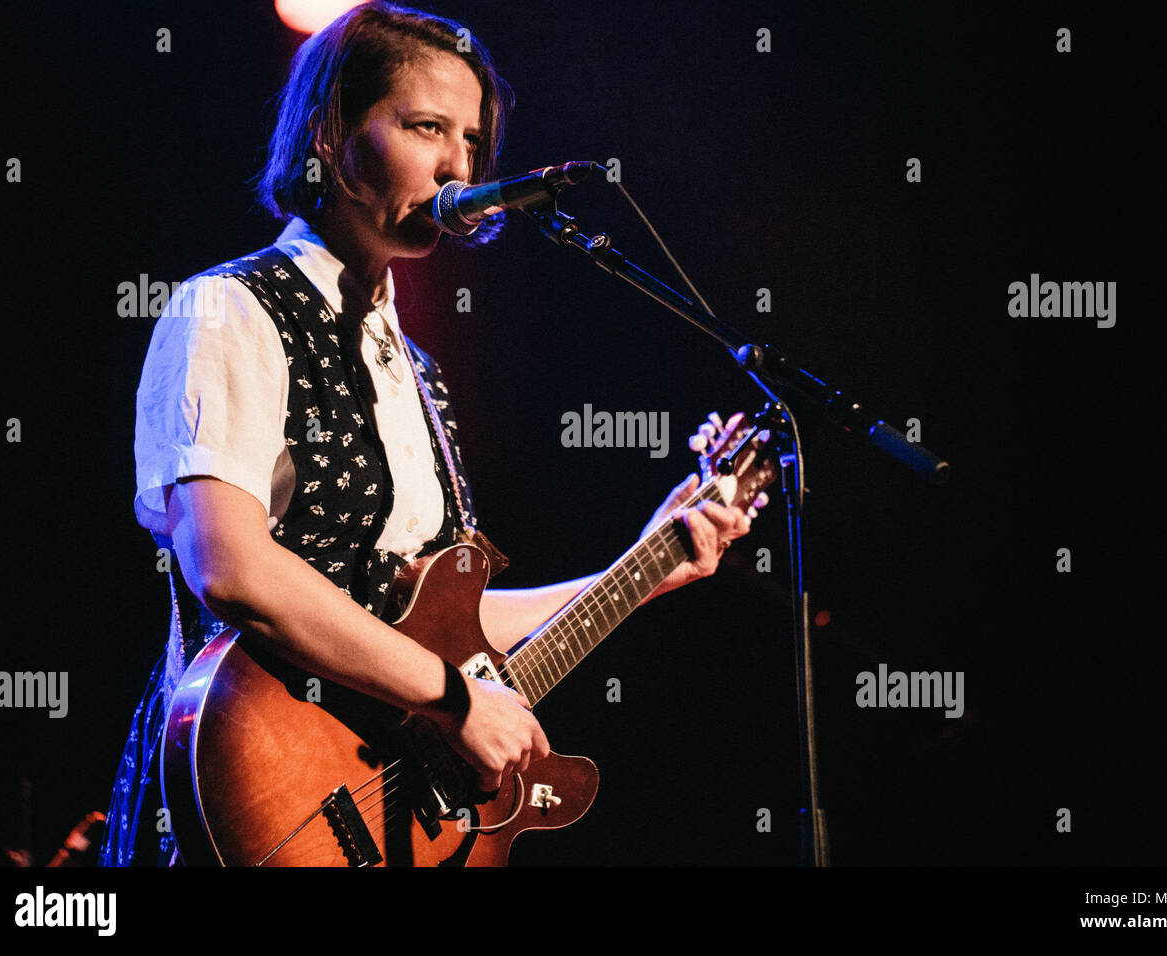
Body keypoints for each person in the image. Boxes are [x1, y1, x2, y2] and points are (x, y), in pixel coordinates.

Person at [101, 2, 755, 867]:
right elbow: (231, 567)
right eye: (425, 127)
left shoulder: (416, 368)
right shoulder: (228, 310)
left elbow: (448, 622)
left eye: (473, 141)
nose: (458, 164)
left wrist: (646, 565)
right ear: (331, 135)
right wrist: (451, 699)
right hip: (253, 789)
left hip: (386, 812)